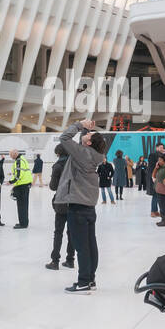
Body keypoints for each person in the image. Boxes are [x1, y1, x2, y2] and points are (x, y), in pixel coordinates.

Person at [56, 119, 106, 293]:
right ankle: (90, 279)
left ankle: (83, 281)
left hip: (77, 207)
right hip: (89, 208)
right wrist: (86, 129)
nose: (86, 133)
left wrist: (79, 124)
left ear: (89, 143)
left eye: (89, 134)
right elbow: (78, 144)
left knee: (81, 247)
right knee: (91, 244)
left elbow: (64, 138)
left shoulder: (82, 153)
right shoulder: (92, 155)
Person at [45, 144, 75, 271]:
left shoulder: (58, 166)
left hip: (61, 202)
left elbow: (53, 186)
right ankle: (70, 260)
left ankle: (55, 261)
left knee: (58, 232)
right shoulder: (74, 164)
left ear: (58, 153)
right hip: (74, 201)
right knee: (71, 232)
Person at [9, 148, 33, 228]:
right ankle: (24, 222)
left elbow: (19, 175)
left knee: (21, 205)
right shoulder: (22, 159)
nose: (10, 156)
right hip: (25, 185)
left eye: (11, 154)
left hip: (22, 186)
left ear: (15, 154)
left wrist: (11, 182)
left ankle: (23, 224)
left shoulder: (19, 161)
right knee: (24, 205)